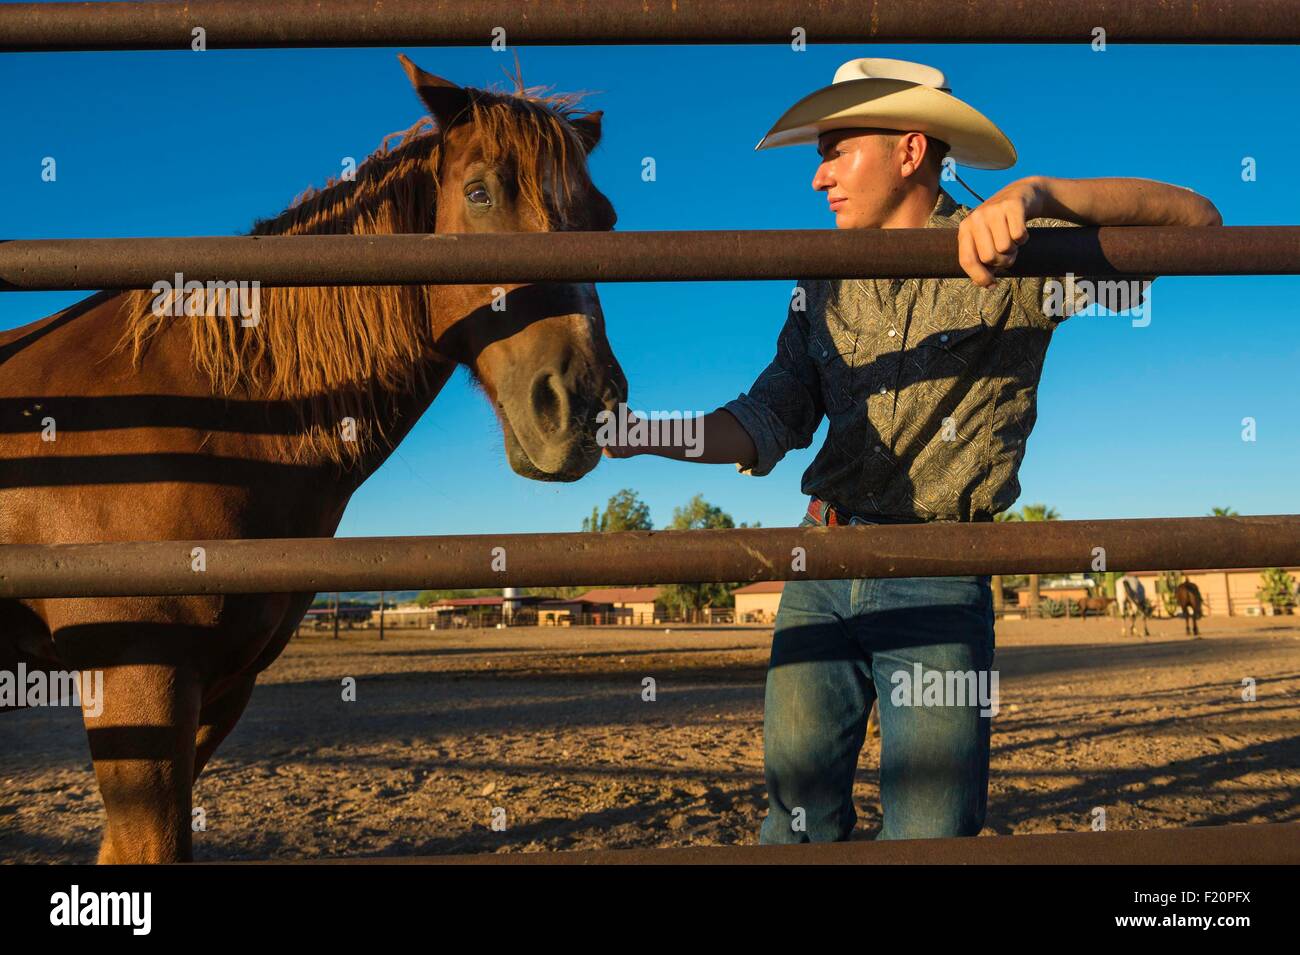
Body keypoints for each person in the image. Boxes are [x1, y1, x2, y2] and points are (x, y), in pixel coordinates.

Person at [602, 58, 1221, 842]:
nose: (818, 178)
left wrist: (1037, 194)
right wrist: (647, 434)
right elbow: (770, 414)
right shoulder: (822, 281)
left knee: (930, 833)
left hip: (938, 575)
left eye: (836, 150)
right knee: (795, 819)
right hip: (819, 565)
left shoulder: (1020, 259)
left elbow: (1199, 222)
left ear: (909, 150)